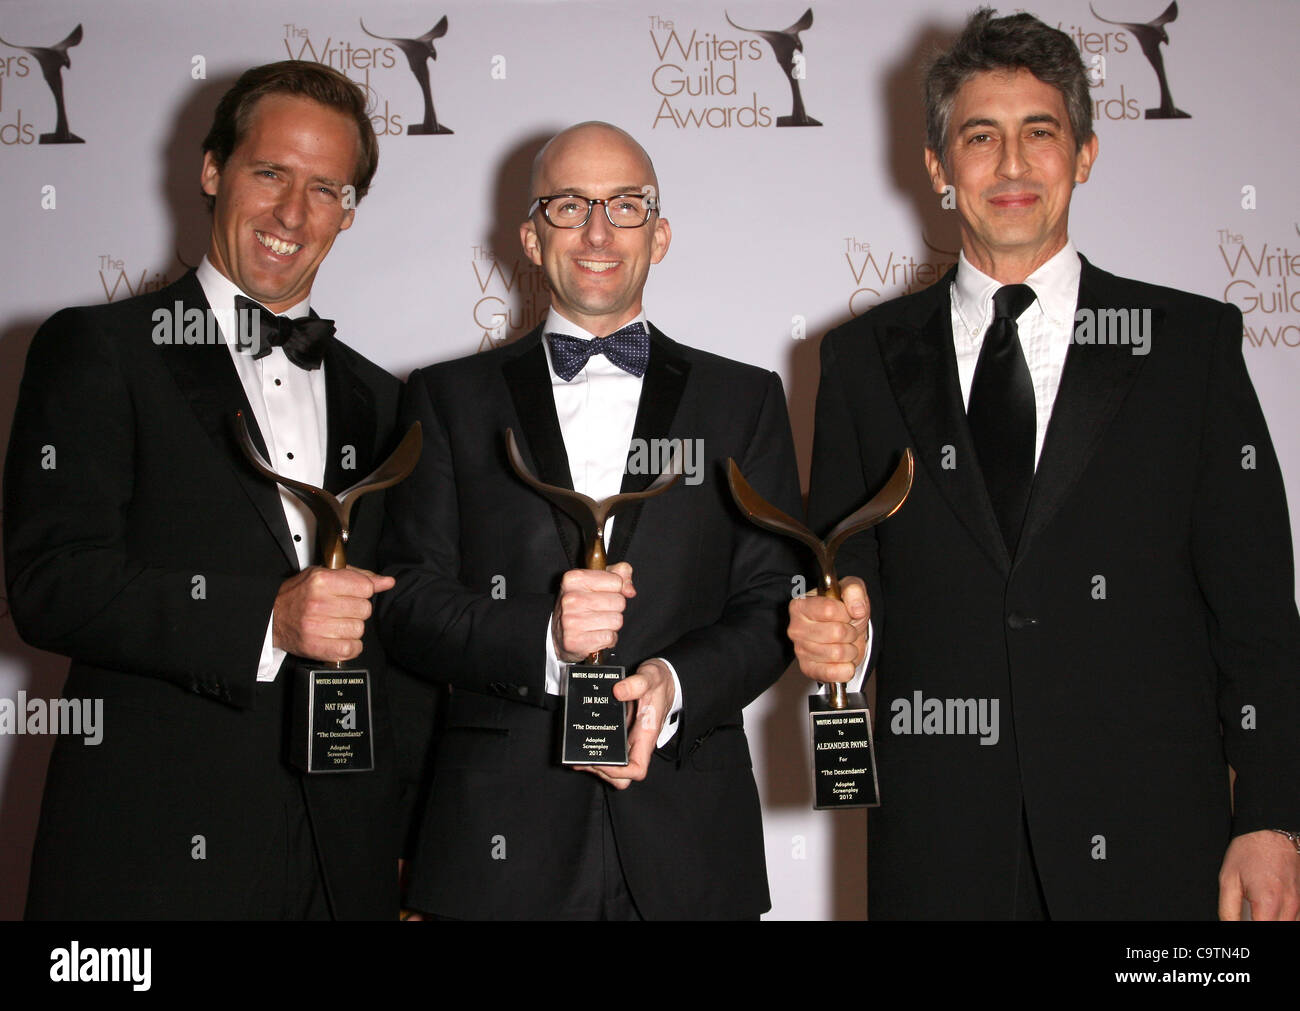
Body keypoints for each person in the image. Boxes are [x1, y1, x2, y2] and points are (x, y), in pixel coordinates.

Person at [787, 8, 1300, 920]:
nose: (1013, 166)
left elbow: (1258, 612)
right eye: (980, 138)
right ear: (939, 169)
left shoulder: (1189, 347)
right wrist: (837, 637)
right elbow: (839, 569)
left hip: (1155, 849)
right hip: (939, 849)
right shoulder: (863, 360)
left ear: (1087, 154)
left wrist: (1271, 820)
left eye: (1041, 134)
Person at [5, 60, 431, 919]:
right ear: (212, 170)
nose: (291, 214)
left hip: (340, 869)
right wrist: (264, 619)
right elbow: (51, 584)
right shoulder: (99, 349)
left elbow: (407, 647)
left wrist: (413, 846)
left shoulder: (388, 403)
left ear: (349, 213)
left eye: (325, 189)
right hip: (150, 858)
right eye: (269, 172)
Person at [378, 121, 802, 919]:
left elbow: (774, 605)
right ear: (532, 238)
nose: (599, 230)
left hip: (691, 845)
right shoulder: (445, 398)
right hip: (497, 850)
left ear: (661, 234)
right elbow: (405, 601)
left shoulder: (745, 401)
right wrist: (544, 638)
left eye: (626, 205)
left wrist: (673, 684)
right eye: (569, 205)